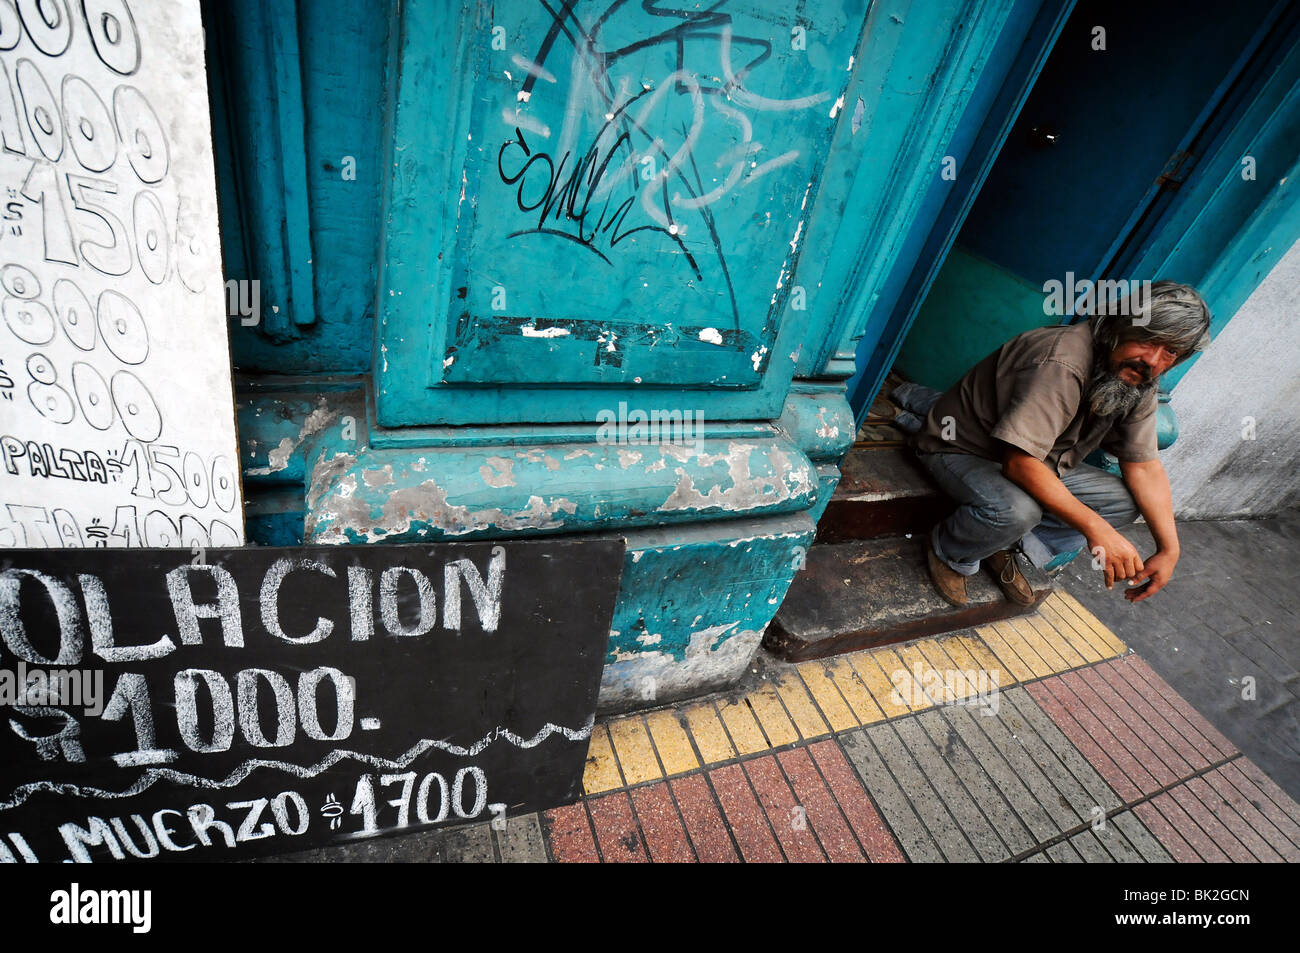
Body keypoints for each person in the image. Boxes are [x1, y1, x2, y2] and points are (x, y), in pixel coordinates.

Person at [893, 280, 1211, 608]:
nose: (1154, 360)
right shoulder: (1063, 361)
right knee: (1017, 511)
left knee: (1124, 501)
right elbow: (1020, 463)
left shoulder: (1139, 375)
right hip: (962, 448)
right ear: (1122, 324)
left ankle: (1007, 548)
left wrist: (1170, 550)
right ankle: (950, 551)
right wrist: (1096, 529)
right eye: (1148, 339)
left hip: (1041, 462)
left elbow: (1143, 466)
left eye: (1171, 351)